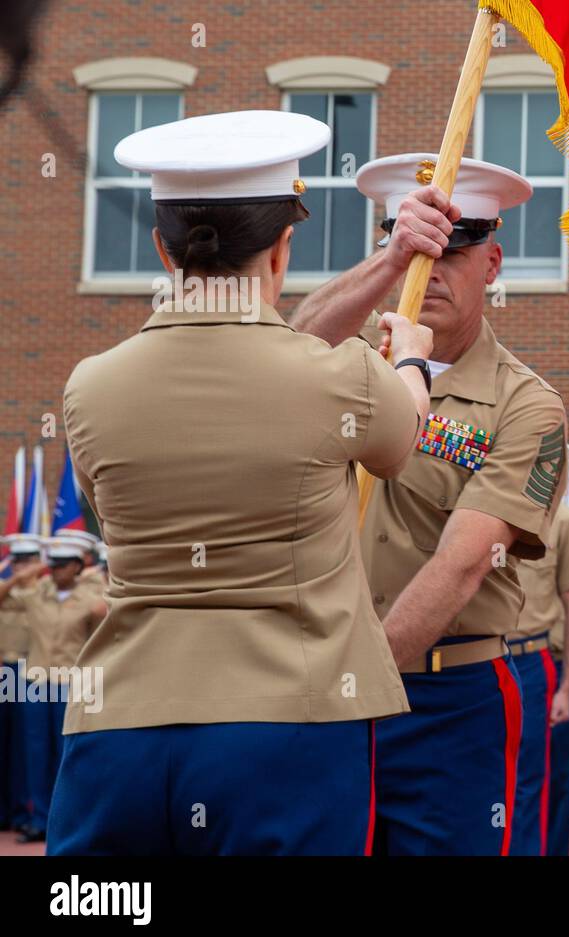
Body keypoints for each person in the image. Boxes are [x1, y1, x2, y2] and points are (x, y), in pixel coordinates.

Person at [47, 110, 432, 855]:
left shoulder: (89, 386)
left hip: (118, 729)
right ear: (283, 250)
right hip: (288, 729)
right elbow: (402, 442)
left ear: (163, 249)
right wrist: (408, 359)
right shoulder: (344, 377)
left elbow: (107, 515)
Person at [290, 153, 569, 856]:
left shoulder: (527, 405)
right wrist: (388, 263)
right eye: (418, 246)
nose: (433, 267)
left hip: (451, 699)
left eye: (456, 248)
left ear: (493, 264)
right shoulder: (352, 363)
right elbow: (289, 346)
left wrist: (363, 686)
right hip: (327, 688)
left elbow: (464, 565)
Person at [0, 534, 106, 843]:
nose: (55, 571)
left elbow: (105, 617)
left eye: (62, 566)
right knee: (34, 754)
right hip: (36, 683)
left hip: (71, 683)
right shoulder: (37, 594)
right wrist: (23, 574)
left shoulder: (90, 598)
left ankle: (69, 820)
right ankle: (39, 819)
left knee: (67, 754)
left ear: (77, 566)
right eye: (53, 565)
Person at [508, 503, 569, 856]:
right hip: (479, 656)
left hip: (531, 660)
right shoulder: (473, 505)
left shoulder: (564, 522)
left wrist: (567, 688)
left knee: (530, 787)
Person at [0, 533, 40, 835]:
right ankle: (5, 810)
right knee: (5, 742)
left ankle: (26, 810)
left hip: (35, 673)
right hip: (5, 671)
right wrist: (15, 579)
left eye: (27, 561)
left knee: (29, 746)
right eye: (16, 562)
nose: (21, 567)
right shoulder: (6, 590)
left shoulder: (47, 591)